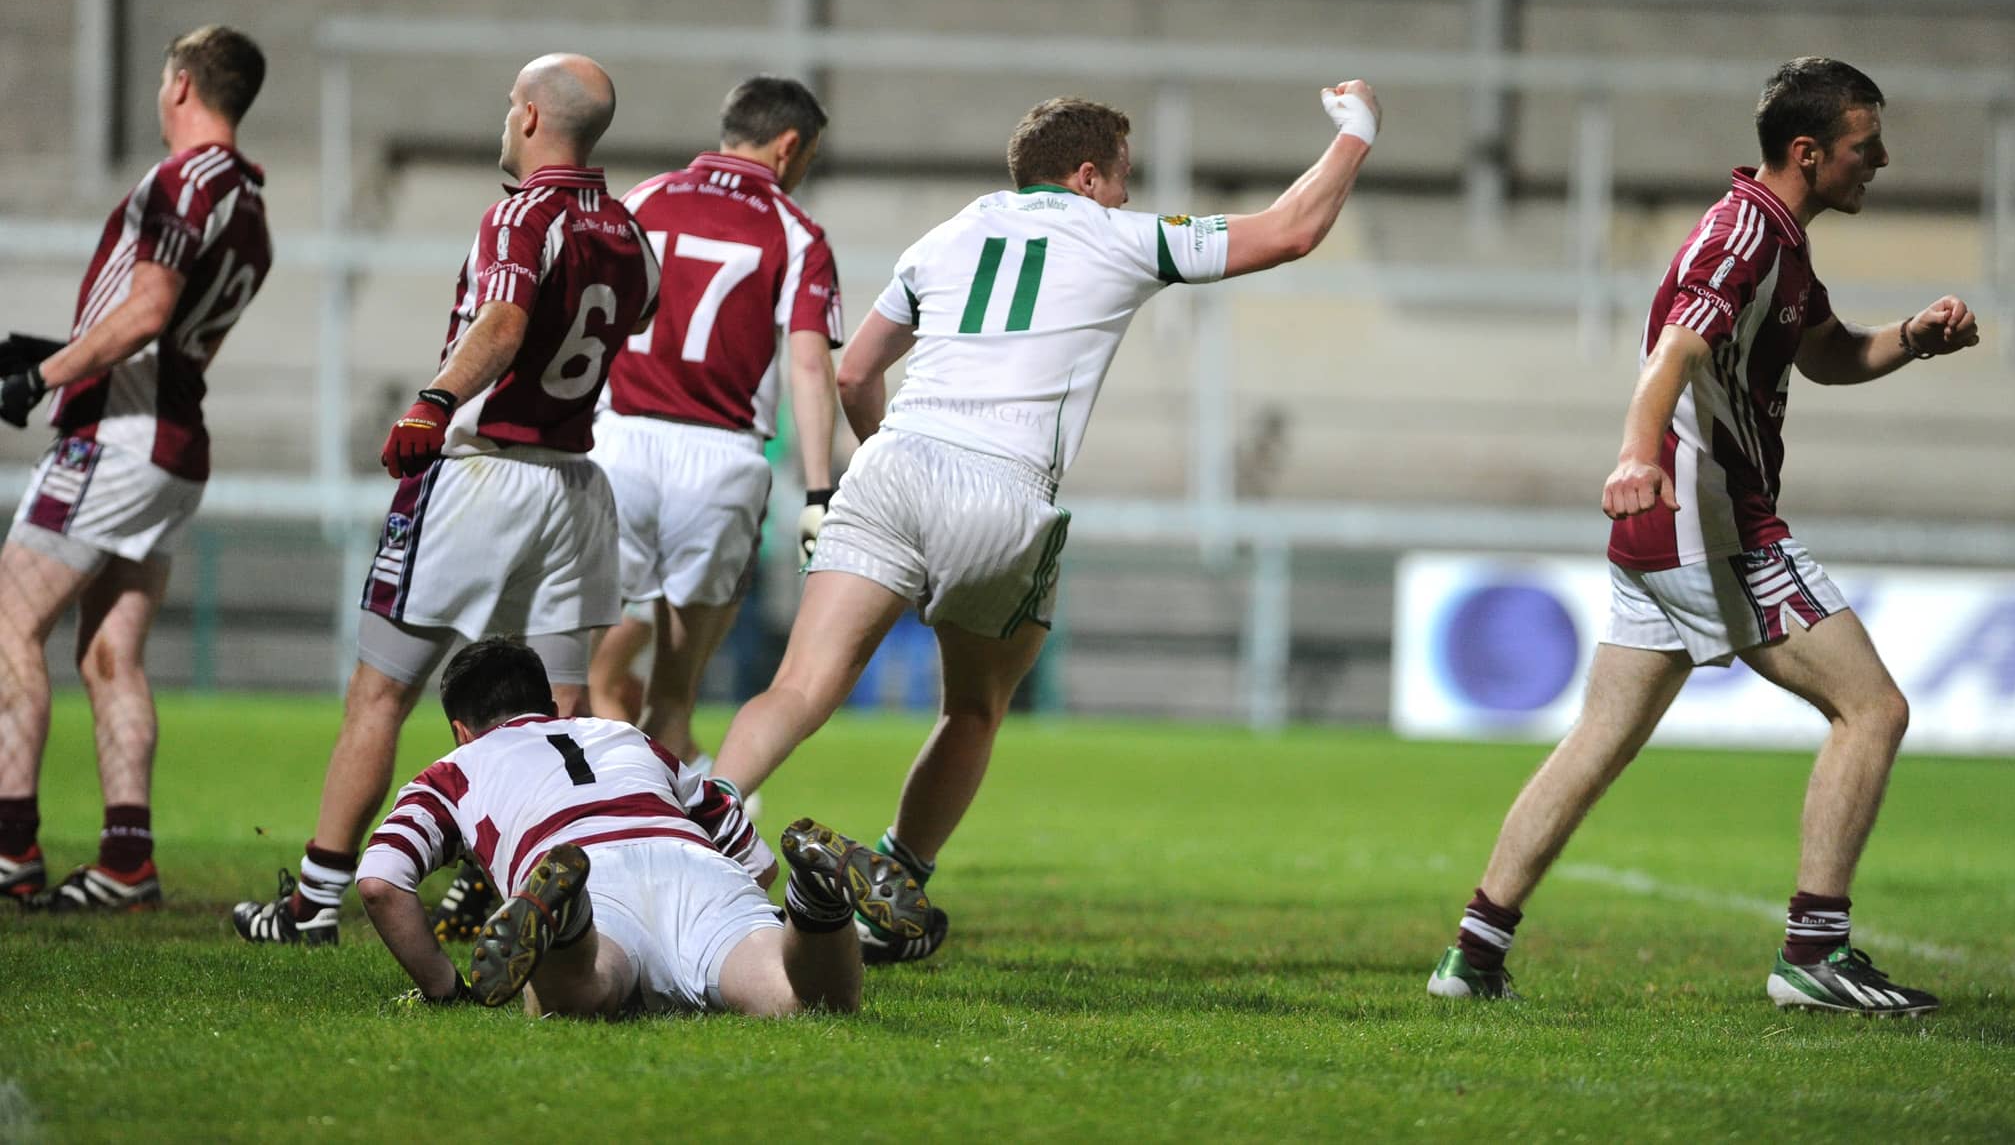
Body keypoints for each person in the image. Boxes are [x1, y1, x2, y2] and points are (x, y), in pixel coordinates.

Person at [709, 81, 1382, 962]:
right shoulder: (1117, 235)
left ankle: (697, 822)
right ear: (1089, 175)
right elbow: (1291, 229)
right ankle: (897, 885)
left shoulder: (945, 236)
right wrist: (1356, 137)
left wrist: (893, 478)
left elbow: (850, 375)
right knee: (976, 706)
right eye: (1124, 179)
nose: (1130, 198)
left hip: (894, 460)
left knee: (798, 688)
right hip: (1001, 488)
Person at [1426, 57, 1978, 1016]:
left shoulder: (1779, 240)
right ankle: (1814, 952)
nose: (1880, 159)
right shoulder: (1742, 240)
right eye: (1865, 144)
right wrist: (1637, 454)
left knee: (1599, 738)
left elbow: (1828, 354)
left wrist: (1915, 338)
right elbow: (1676, 348)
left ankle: (1472, 954)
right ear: (1807, 153)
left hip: (1670, 528)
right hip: (1710, 521)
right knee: (1872, 709)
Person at [232, 53, 660, 946]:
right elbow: (629, 321)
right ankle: (576, 892)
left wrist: (433, 398)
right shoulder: (631, 233)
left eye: (512, 105)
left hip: (484, 474)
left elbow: (504, 322)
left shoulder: (520, 213)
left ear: (536, 119)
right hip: (577, 485)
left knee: (381, 689)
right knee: (564, 715)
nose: (506, 120)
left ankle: (313, 904)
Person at [0, 26, 271, 911]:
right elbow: (188, 338)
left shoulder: (180, 180)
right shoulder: (251, 208)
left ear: (182, 83)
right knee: (112, 651)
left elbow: (151, 308)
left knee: (10, 625)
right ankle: (127, 859)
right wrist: (70, 349)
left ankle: (10, 848)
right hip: (172, 444)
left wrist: (38, 377)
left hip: (115, 437)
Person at [356, 637, 930, 1018]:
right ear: (553, 709)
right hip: (692, 863)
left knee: (578, 996)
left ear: (461, 730)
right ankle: (817, 894)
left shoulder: (454, 771)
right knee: (802, 1000)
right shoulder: (624, 735)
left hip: (589, 877)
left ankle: (567, 915)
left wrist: (445, 990)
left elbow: (380, 882)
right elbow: (755, 862)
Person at [585, 75, 844, 764]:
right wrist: (820, 493)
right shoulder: (796, 233)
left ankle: (523, 844)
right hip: (718, 459)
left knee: (571, 675)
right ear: (790, 146)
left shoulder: (642, 199)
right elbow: (811, 367)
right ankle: (674, 856)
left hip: (616, 445)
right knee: (671, 697)